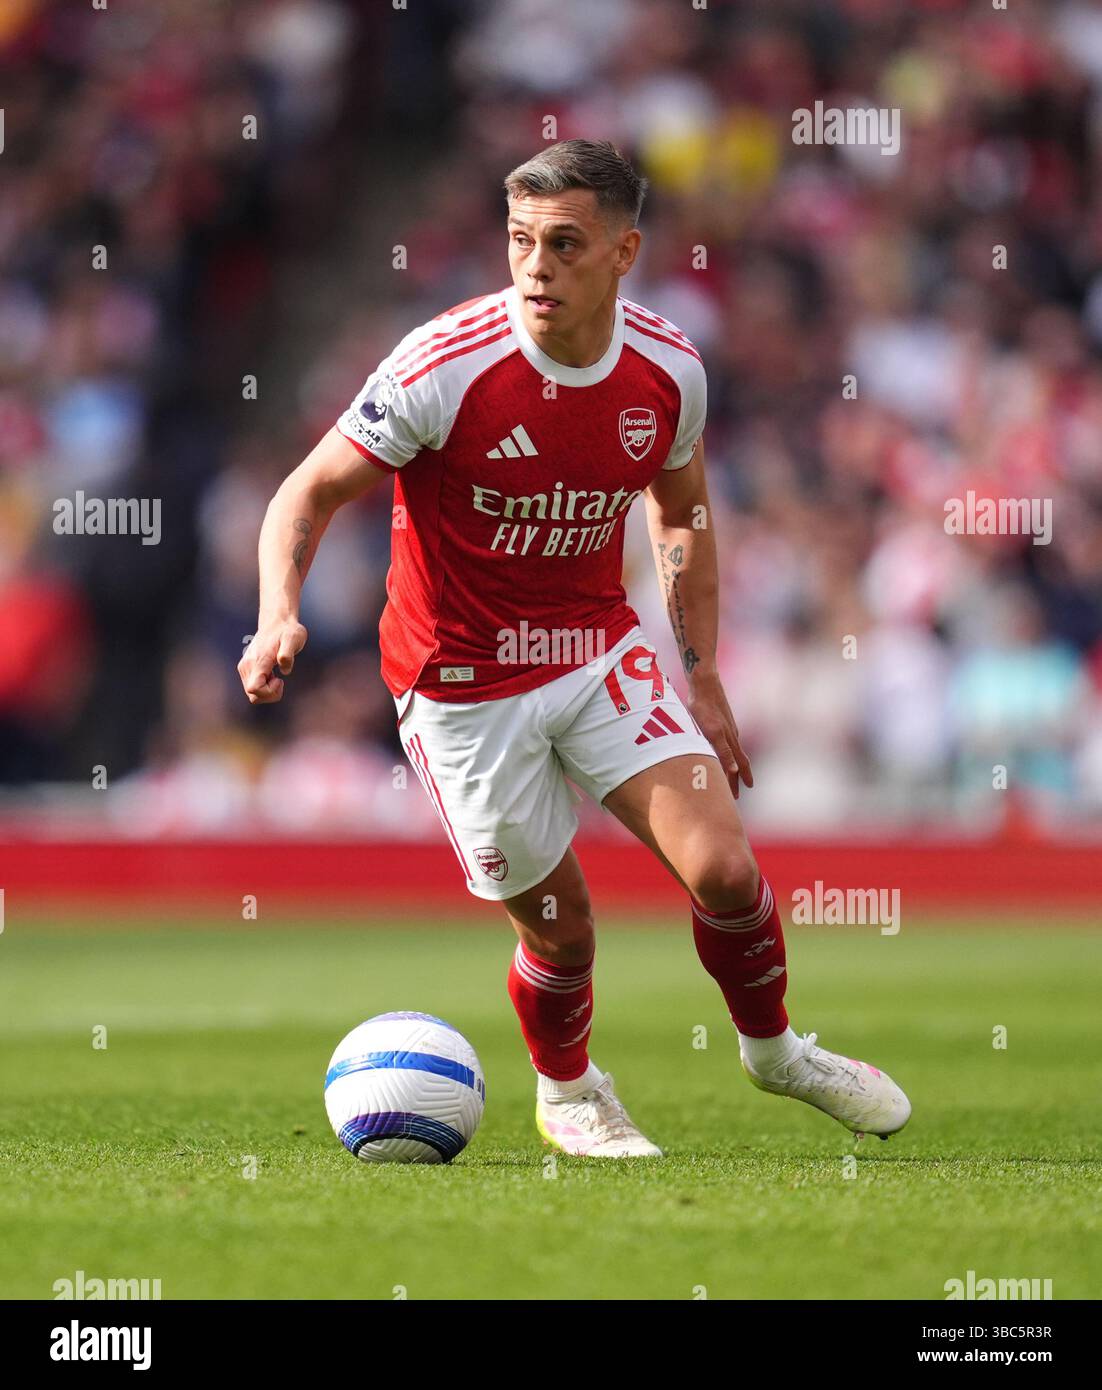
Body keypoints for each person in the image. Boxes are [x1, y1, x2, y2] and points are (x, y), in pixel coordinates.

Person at [238, 139, 910, 1157]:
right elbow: (306, 491)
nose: (535, 266)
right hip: (459, 682)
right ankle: (568, 1092)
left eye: (562, 243)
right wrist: (277, 611)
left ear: (623, 250)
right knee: (563, 929)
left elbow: (679, 515)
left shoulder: (668, 368)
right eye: (518, 241)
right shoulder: (442, 366)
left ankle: (775, 1052)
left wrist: (706, 672)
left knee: (725, 870)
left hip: (594, 648)